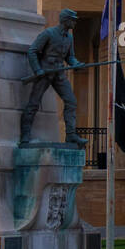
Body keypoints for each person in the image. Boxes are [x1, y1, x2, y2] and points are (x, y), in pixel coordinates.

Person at [20, 9, 87, 147]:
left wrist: (76, 64)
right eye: (72, 19)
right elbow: (32, 51)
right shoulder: (48, 33)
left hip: (59, 73)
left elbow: (70, 57)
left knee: (71, 101)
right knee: (34, 103)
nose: (74, 22)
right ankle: (25, 134)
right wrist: (37, 69)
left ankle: (71, 135)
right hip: (45, 72)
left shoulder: (69, 38)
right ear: (65, 20)